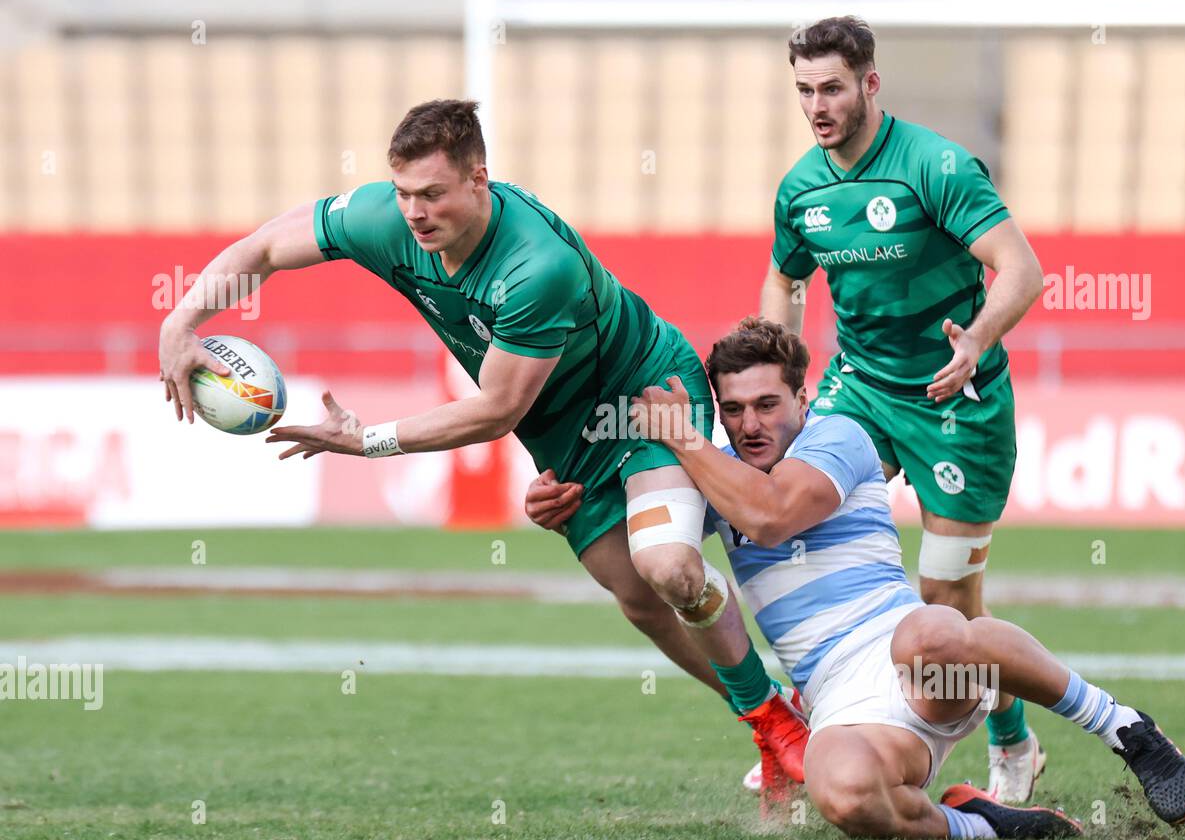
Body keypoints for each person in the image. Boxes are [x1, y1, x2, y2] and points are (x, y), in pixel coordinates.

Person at [156, 99, 808, 780]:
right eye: (405, 193)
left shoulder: (535, 267)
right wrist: (183, 318)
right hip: (559, 428)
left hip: (640, 391)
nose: (415, 212)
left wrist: (365, 440)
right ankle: (774, 719)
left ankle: (777, 644)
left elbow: (496, 409)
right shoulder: (384, 218)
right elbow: (263, 249)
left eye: (434, 193)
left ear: (479, 180)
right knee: (641, 599)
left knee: (666, 566)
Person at [531, 318, 1185, 839]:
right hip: (843, 707)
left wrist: (684, 441)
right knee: (841, 793)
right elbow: (647, 579)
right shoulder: (715, 468)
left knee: (935, 632)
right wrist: (572, 518)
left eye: (768, 403)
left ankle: (1124, 729)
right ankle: (982, 824)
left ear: (803, 393)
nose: (751, 424)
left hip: (915, 665)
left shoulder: (838, 436)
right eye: (733, 409)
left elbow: (770, 516)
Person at [760, 16, 1049, 801]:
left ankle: (1013, 740)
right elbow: (786, 281)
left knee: (946, 603)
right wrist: (785, 373)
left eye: (831, 88)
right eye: (804, 91)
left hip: (957, 399)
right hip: (861, 387)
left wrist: (975, 342)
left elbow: (1022, 271)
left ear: (869, 84)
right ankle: (803, 723)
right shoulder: (801, 189)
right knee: (790, 521)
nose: (817, 106)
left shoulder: (935, 167)